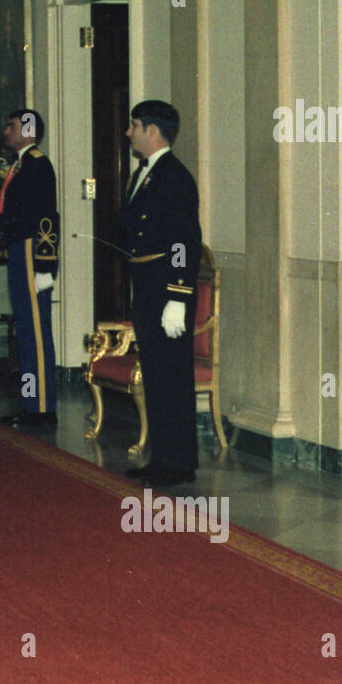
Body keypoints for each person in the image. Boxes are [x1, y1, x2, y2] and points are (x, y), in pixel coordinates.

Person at [119, 100, 202, 487]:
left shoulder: (175, 176)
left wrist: (178, 297)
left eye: (134, 125)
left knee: (172, 376)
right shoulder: (145, 173)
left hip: (166, 286)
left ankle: (178, 463)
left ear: (153, 131)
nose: (129, 132)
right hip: (147, 283)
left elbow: (185, 240)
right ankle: (161, 457)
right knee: (155, 373)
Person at [0, 108, 60, 427]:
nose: (5, 131)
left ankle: (43, 408)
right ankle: (30, 403)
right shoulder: (21, 165)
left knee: (35, 332)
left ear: (28, 130)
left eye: (11, 126)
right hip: (19, 248)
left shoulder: (37, 165)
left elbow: (48, 217)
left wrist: (45, 265)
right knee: (26, 331)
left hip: (31, 251)